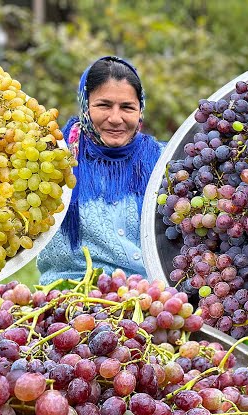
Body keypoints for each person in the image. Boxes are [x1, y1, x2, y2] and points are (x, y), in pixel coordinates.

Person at [37, 56, 163, 283]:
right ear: (85, 105)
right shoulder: (53, 161)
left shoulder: (162, 162)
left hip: (148, 296)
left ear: (140, 109)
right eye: (104, 105)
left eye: (127, 107)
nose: (115, 118)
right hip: (69, 295)